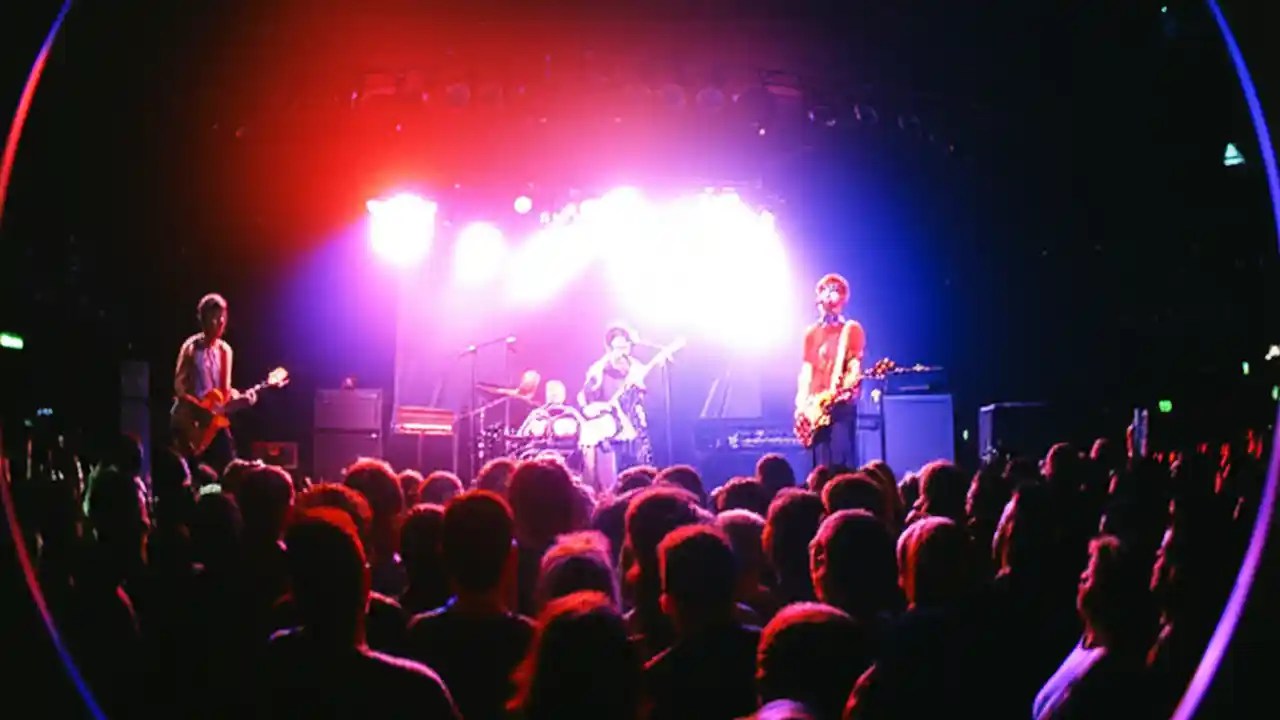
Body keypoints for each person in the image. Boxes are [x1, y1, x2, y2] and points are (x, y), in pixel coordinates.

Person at [172, 293, 256, 472]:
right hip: (193, 421)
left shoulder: (225, 351)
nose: (220, 322)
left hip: (215, 421)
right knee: (192, 471)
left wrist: (239, 398)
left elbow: (224, 391)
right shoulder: (191, 348)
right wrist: (198, 409)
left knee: (229, 467)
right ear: (202, 319)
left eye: (222, 317)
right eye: (215, 317)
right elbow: (180, 387)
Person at [579, 324, 661, 492]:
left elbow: (654, 397)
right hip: (609, 424)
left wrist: (642, 391)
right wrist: (598, 408)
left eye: (625, 347)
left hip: (635, 423)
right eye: (617, 348)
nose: (621, 352)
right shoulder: (598, 370)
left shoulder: (637, 369)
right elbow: (586, 402)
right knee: (590, 434)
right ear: (609, 349)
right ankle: (593, 487)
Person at [795, 274, 865, 469]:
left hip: (839, 408)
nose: (830, 294)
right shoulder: (811, 333)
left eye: (835, 290)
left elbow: (854, 366)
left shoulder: (850, 330)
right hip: (815, 410)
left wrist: (847, 389)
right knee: (817, 467)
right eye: (825, 290)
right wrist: (801, 406)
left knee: (840, 465)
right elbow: (807, 371)